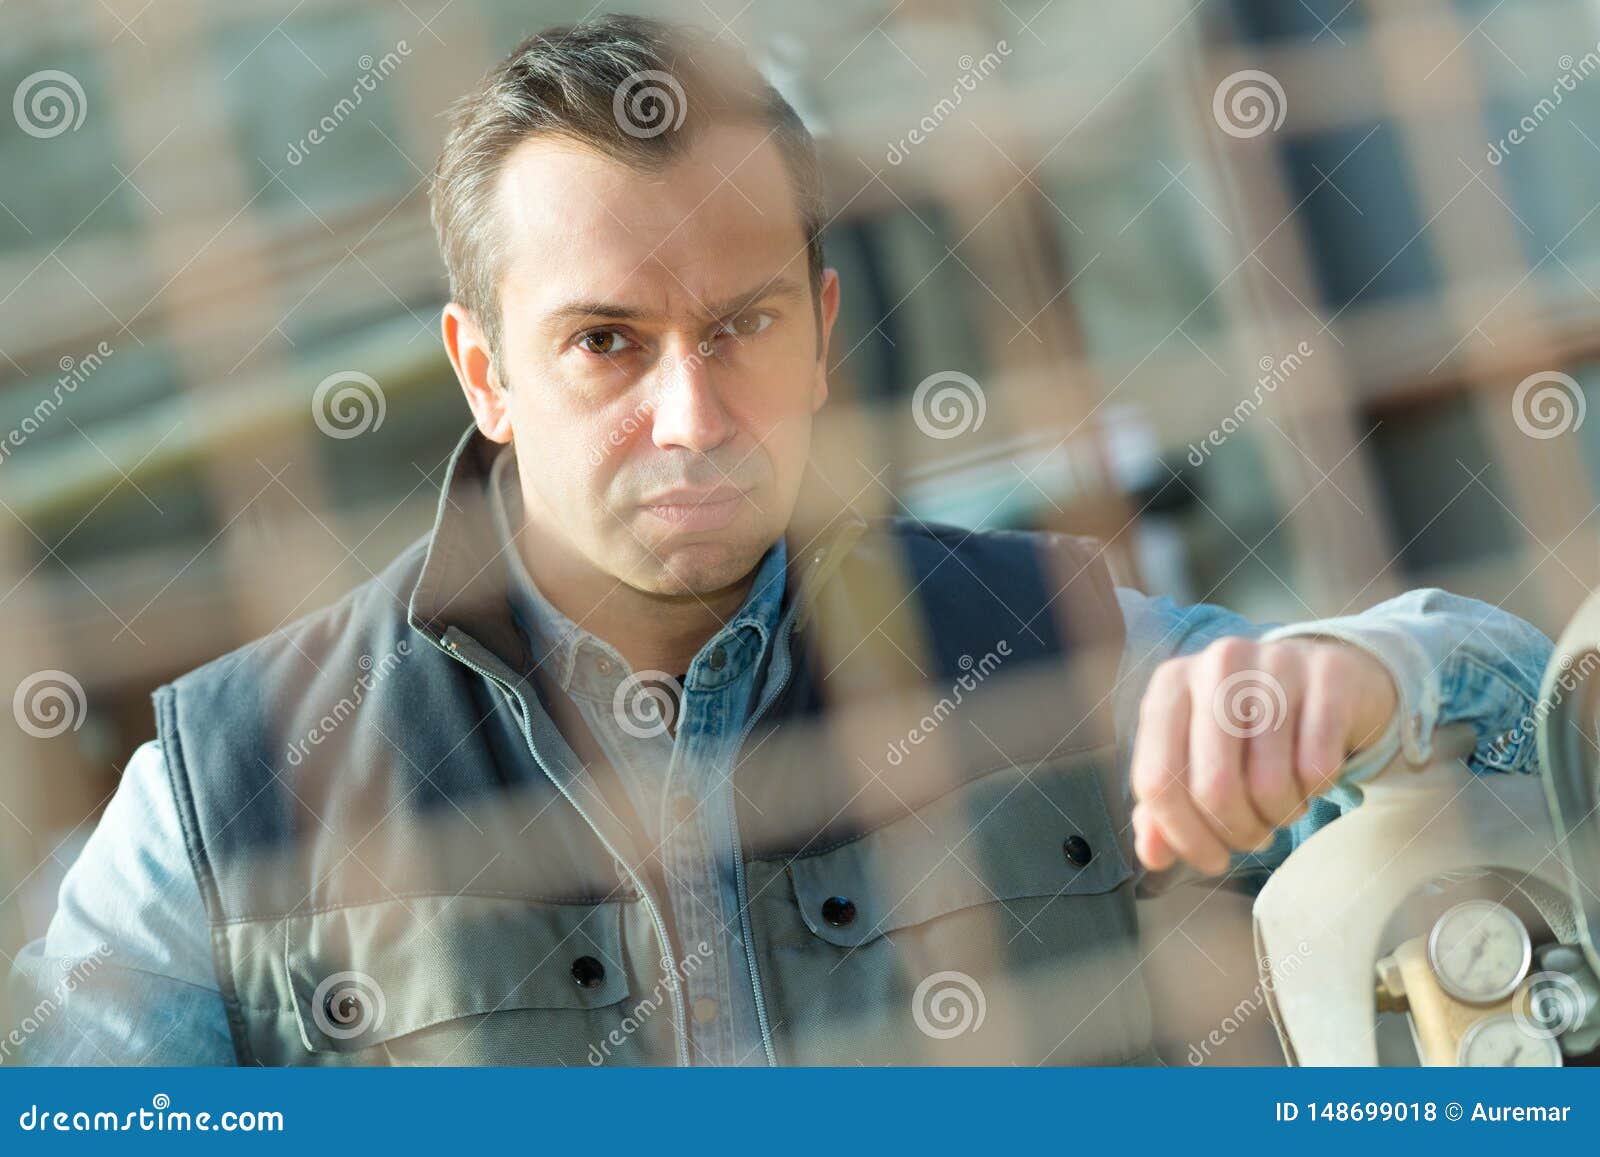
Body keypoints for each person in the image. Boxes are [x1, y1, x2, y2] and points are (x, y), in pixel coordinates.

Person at [7, 15, 1554, 1067]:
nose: (693, 414)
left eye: (740, 326)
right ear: (482, 370)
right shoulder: (230, 792)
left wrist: (1360, 673)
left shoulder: (1029, 639)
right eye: (606, 342)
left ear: (820, 336)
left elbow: (1525, 716)